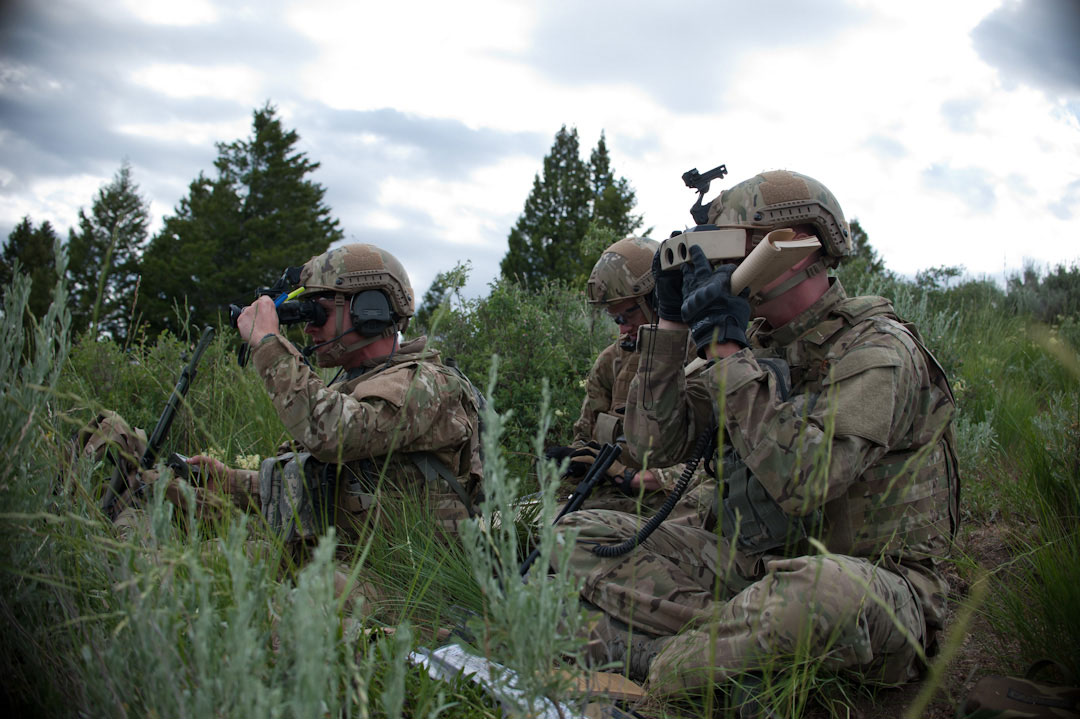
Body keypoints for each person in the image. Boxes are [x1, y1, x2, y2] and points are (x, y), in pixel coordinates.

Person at [555, 170, 959, 709]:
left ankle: (666, 665)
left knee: (817, 597)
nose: (718, 266)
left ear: (787, 249)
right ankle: (736, 652)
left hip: (870, 584)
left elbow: (805, 482)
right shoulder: (749, 342)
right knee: (574, 533)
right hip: (751, 565)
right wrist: (674, 328)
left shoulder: (877, 350)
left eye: (730, 248)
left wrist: (727, 355)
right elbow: (654, 445)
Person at [74, 243, 483, 555]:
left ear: (369, 312)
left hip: (386, 574)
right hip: (325, 550)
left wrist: (269, 343)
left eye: (318, 313)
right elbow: (314, 485)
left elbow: (334, 433)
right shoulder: (351, 386)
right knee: (140, 473)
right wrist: (226, 480)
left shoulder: (427, 385)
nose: (308, 330)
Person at [542, 237, 707, 520]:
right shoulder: (612, 361)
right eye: (614, 319)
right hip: (610, 501)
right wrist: (581, 462)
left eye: (627, 316)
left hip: (674, 507)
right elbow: (585, 435)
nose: (623, 330)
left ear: (657, 299)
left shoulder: (703, 354)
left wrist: (631, 477)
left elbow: (715, 461)